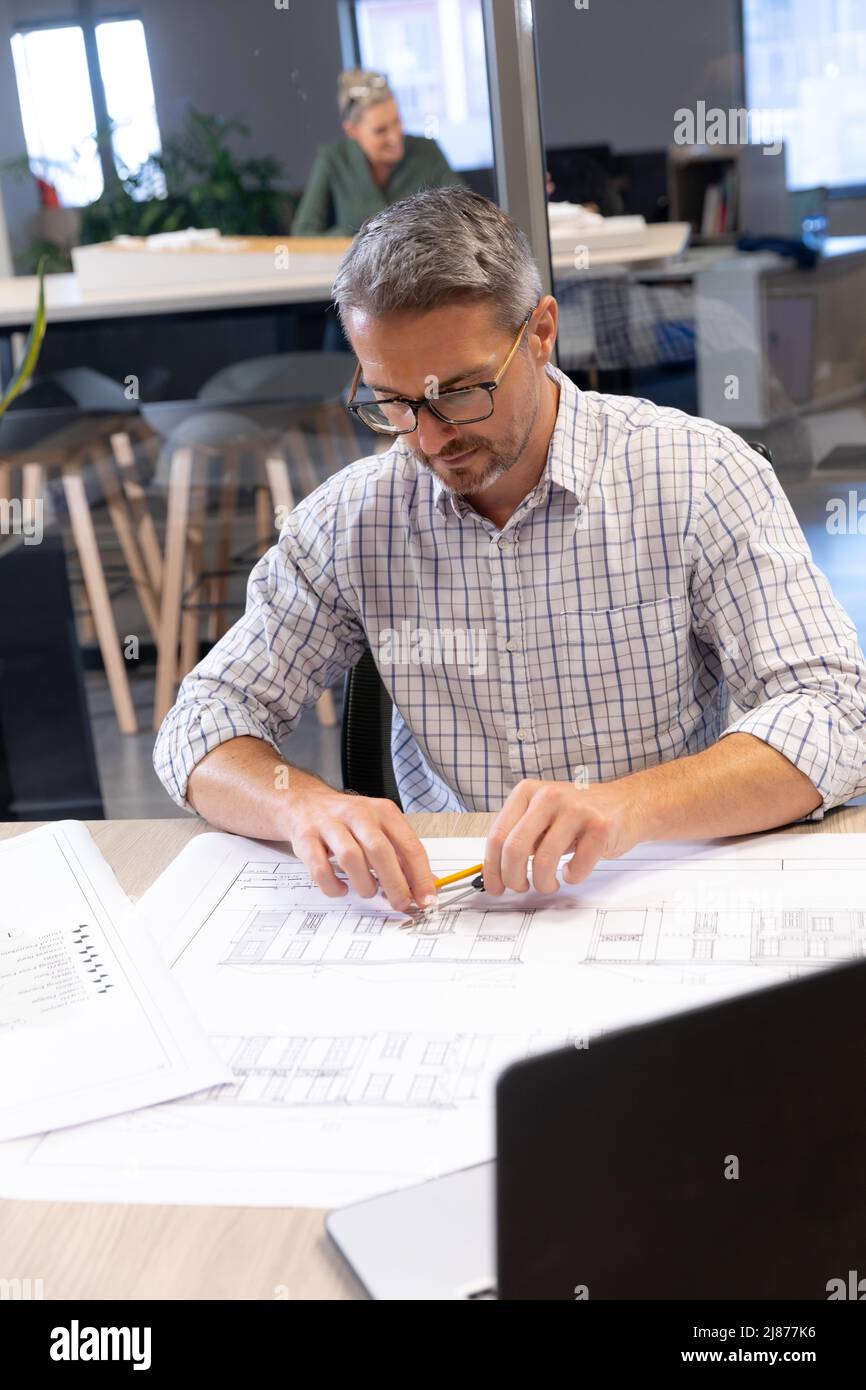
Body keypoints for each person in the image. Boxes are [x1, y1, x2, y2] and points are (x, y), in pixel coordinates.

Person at [154, 188, 866, 915]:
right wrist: (301, 808)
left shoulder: (697, 475)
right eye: (392, 402)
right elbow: (201, 723)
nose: (429, 440)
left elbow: (838, 713)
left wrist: (627, 809)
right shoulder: (350, 522)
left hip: (652, 884)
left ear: (541, 333)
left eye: (460, 393)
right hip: (457, 916)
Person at [291, 69, 463, 236]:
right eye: (381, 130)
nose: (395, 138)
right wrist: (354, 239)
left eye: (397, 121)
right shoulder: (333, 159)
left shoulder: (427, 152)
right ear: (352, 131)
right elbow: (304, 234)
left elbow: (466, 214)